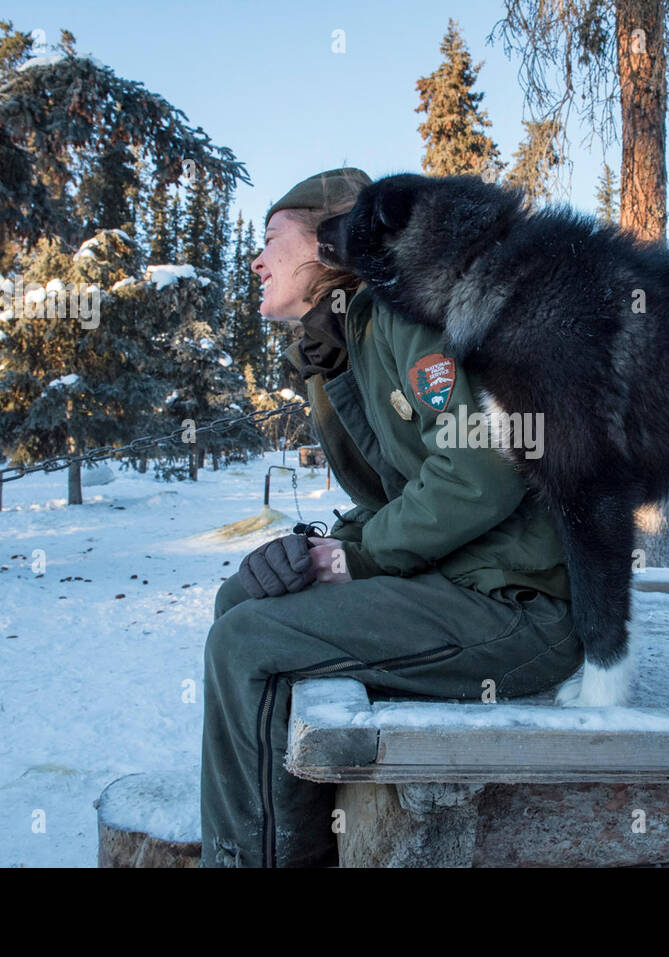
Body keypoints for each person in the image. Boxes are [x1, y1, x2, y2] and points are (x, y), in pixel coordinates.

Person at [200, 168, 581, 867]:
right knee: (242, 599)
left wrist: (355, 555)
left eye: (271, 238)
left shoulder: (404, 312)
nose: (256, 260)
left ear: (325, 243)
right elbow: (392, 498)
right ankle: (286, 845)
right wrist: (317, 544)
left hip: (518, 603)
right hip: (454, 583)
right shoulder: (343, 344)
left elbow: (481, 465)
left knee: (247, 645)